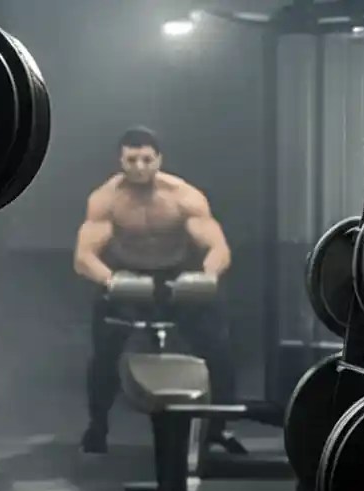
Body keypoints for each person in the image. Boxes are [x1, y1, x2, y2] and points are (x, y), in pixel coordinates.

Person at [73, 126, 241, 454]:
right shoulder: (106, 199)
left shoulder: (183, 196)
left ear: (159, 159)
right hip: (126, 279)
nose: (139, 167)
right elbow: (83, 257)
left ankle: (219, 429)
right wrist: (111, 280)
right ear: (120, 160)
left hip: (174, 278)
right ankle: (98, 427)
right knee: (104, 355)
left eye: (146, 159)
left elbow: (218, 247)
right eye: (131, 159)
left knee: (219, 350)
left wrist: (206, 276)